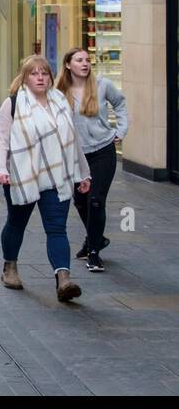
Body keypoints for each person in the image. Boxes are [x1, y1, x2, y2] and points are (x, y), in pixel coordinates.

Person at [0, 54, 91, 302]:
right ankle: (10, 267)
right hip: (21, 175)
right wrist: (0, 169)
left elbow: (73, 140)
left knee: (57, 228)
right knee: (16, 224)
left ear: (50, 77)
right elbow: (0, 139)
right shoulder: (13, 103)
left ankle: (63, 279)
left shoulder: (60, 102)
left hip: (57, 176)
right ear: (24, 78)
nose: (40, 78)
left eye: (44, 73)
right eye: (34, 73)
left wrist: (83, 173)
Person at [56, 47, 128, 272]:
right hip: (75, 155)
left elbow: (120, 103)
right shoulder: (59, 91)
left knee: (96, 200)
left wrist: (121, 130)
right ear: (68, 64)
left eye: (87, 60)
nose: (85, 63)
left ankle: (94, 253)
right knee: (80, 200)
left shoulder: (102, 85)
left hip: (102, 151)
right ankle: (95, 237)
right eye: (79, 60)